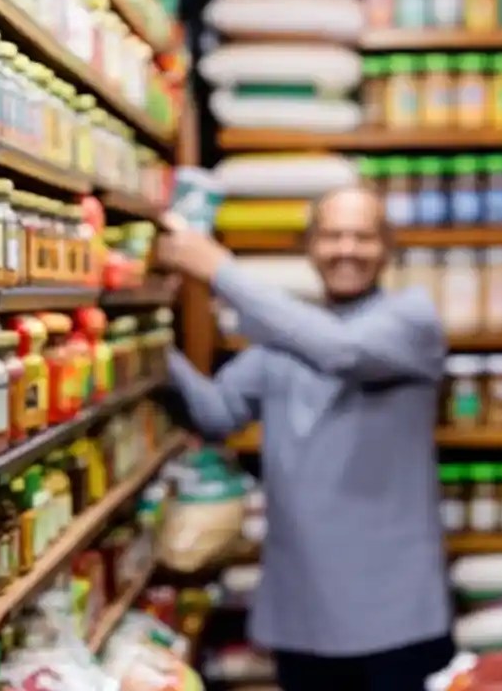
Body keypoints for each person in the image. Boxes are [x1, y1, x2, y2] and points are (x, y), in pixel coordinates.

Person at [155, 187, 453, 691]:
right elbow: (216, 413)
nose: (346, 249)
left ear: (388, 248)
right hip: (304, 611)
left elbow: (340, 351)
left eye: (362, 237)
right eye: (332, 235)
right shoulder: (286, 338)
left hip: (396, 615)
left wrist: (220, 270)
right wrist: (143, 341)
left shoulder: (411, 320)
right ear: (309, 246)